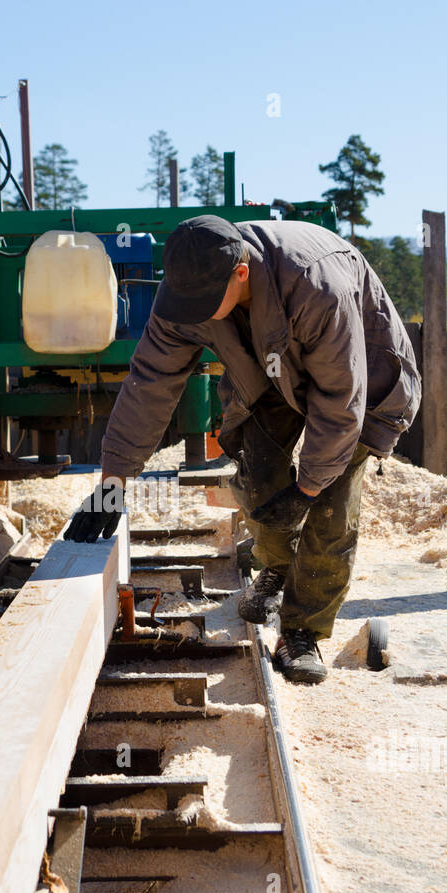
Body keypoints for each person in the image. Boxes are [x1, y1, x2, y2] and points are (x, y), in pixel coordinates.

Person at [65, 215, 421, 684]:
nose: (194, 312)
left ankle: (302, 631)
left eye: (205, 304)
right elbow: (150, 384)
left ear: (241, 271)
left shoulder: (317, 286)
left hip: (361, 383)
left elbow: (340, 400)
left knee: (331, 508)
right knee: (260, 482)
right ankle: (275, 566)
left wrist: (310, 488)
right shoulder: (188, 292)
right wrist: (114, 482)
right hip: (272, 377)